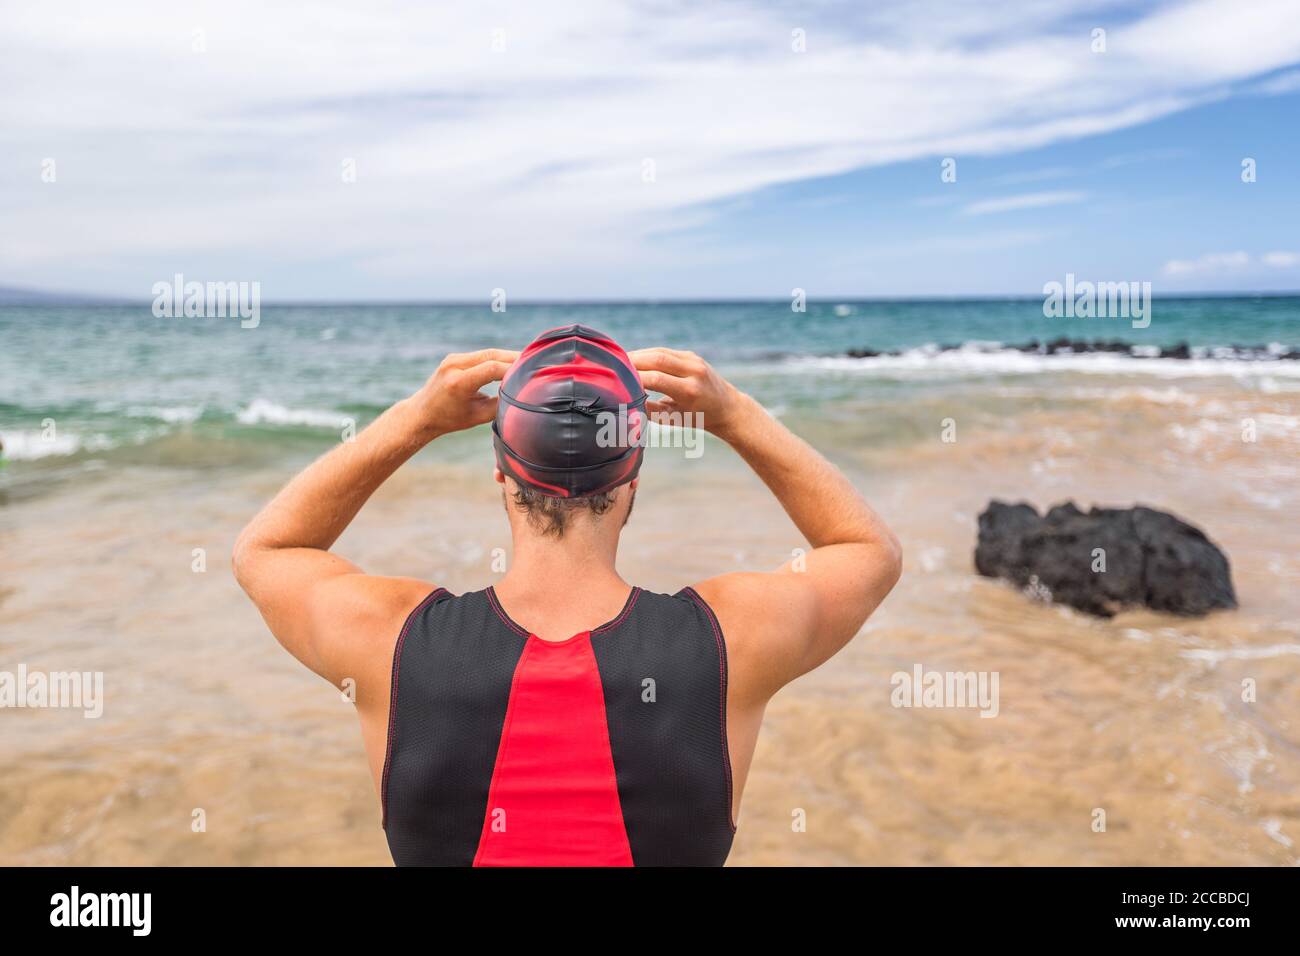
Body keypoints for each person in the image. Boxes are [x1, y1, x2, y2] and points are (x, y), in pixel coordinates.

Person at [233, 324, 901, 866]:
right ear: (632, 479)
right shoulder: (729, 642)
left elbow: (265, 551)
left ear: (501, 472)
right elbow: (869, 552)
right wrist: (735, 416)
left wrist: (416, 420)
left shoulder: (391, 641)